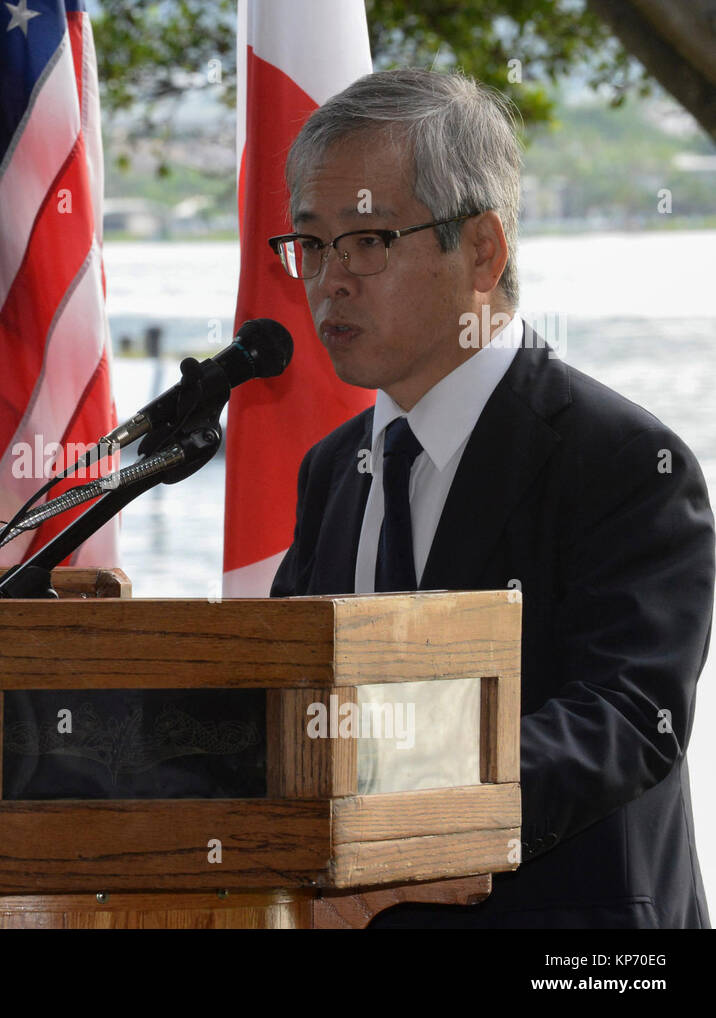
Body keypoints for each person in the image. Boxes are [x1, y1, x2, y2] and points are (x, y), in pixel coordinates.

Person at [268, 68, 714, 928]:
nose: (329, 281)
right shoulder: (333, 469)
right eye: (312, 245)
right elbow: (290, 703)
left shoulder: (623, 460)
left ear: (482, 249)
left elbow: (626, 720)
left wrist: (396, 812)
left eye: (366, 240)